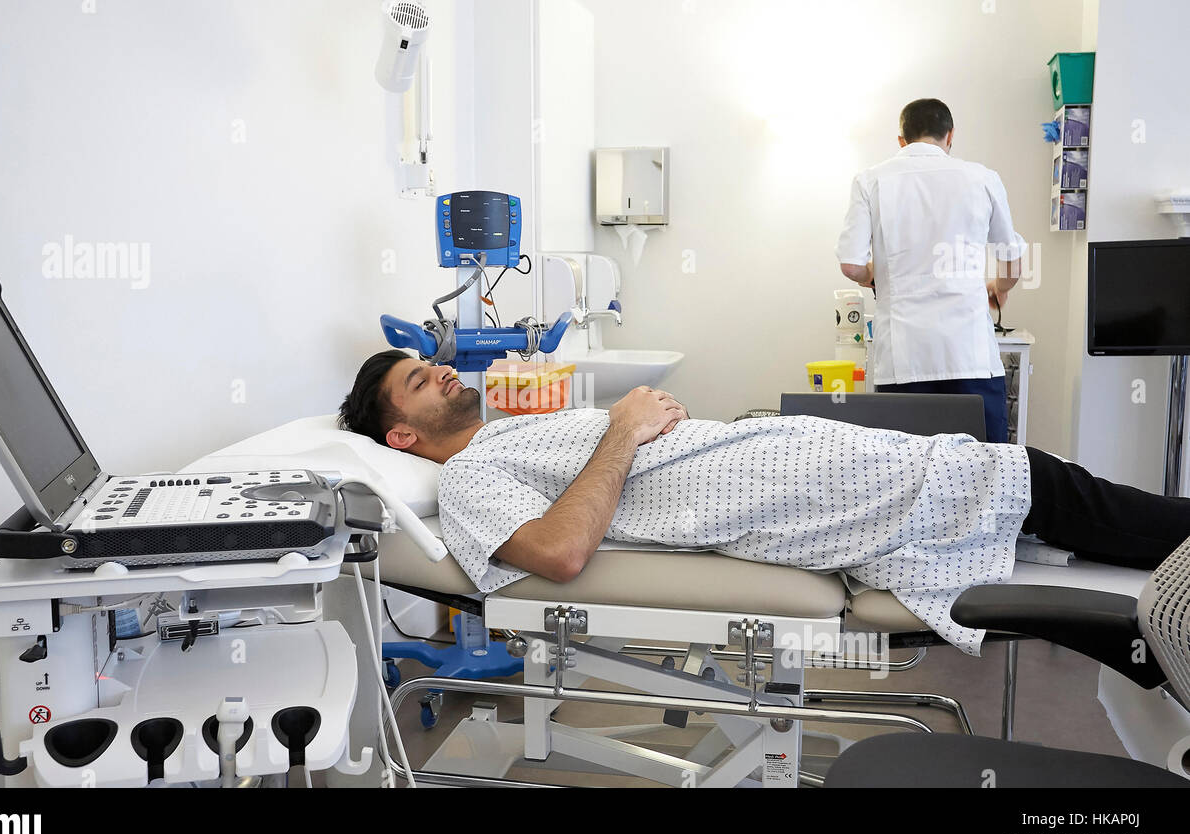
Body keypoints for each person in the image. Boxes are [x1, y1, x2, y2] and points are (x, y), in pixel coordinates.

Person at [339, 351, 1190, 655]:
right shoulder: (466, 479)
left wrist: (634, 426)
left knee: (1063, 511)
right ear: (403, 436)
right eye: (419, 379)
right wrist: (625, 427)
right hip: (818, 492)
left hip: (806, 462)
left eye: (429, 360)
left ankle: (1155, 619)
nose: (442, 369)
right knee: (1052, 490)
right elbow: (561, 553)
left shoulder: (504, 438)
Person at [836, 98, 1024, 443]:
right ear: (950, 136)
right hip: (971, 358)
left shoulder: (870, 180)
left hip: (903, 362)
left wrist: (871, 275)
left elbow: (850, 265)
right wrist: (998, 287)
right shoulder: (982, 178)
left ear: (901, 141)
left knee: (906, 476)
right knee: (985, 472)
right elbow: (1012, 263)